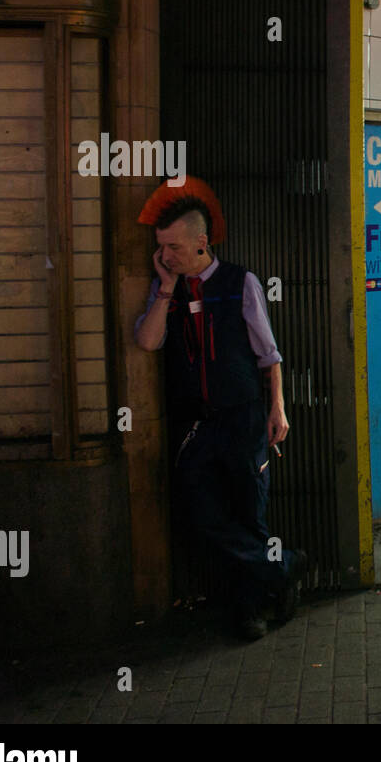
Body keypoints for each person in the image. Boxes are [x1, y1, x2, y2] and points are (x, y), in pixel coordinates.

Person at [133, 177, 307, 640]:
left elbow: (269, 355)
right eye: (160, 247)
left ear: (201, 242)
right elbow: (147, 341)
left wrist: (278, 409)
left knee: (250, 513)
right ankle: (284, 567)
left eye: (172, 245)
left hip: (244, 417)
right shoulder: (167, 291)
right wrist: (167, 288)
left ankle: (252, 609)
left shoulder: (240, 283)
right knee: (200, 512)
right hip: (197, 426)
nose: (165, 255)